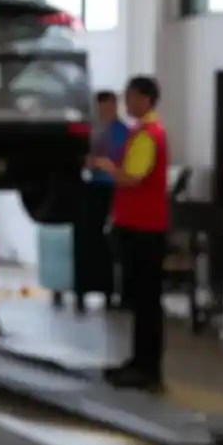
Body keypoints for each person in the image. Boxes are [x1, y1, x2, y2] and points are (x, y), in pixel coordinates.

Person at [91, 76, 168, 391]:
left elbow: (131, 179)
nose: (127, 104)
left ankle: (147, 368)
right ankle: (139, 362)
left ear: (146, 99)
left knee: (147, 301)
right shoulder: (142, 133)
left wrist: (106, 167)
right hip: (138, 225)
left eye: (132, 98)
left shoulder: (148, 136)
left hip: (144, 228)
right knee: (139, 299)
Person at [83, 91, 130, 310]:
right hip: (94, 187)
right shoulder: (92, 130)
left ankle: (116, 291)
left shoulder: (124, 132)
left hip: (116, 188)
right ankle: (92, 287)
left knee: (115, 241)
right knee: (93, 239)